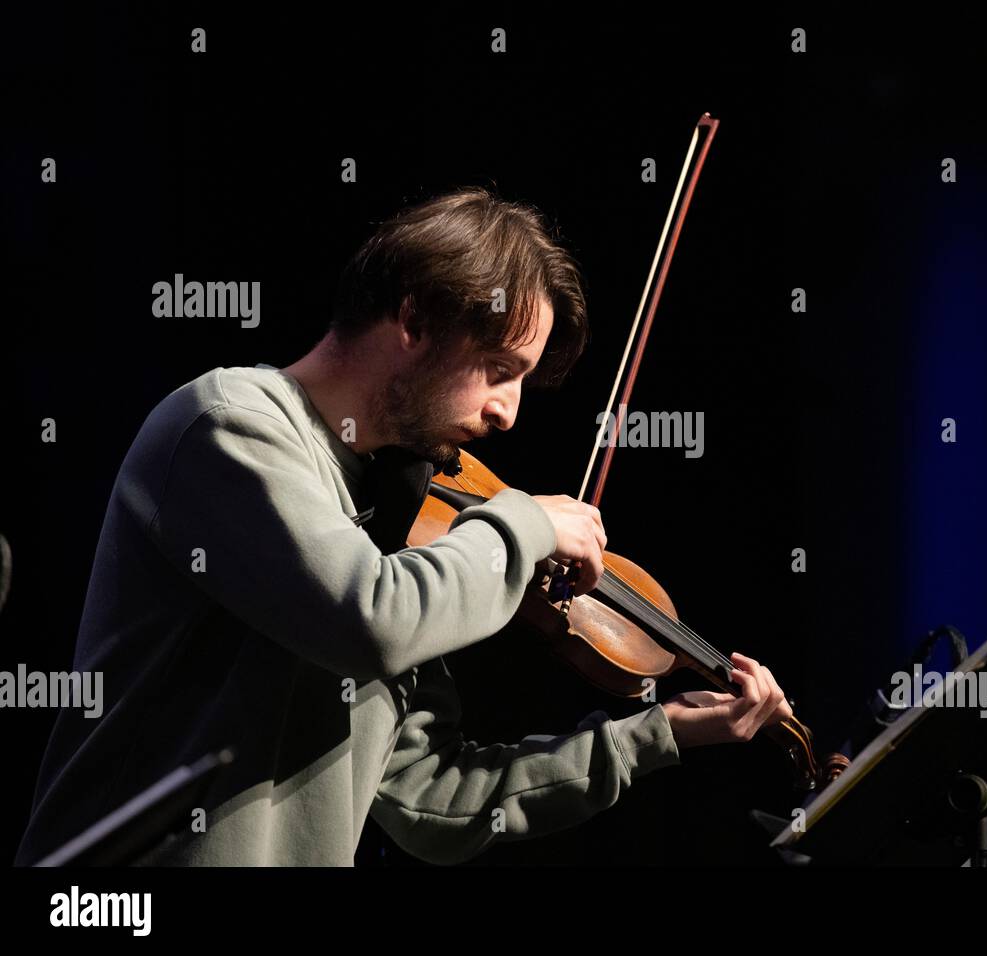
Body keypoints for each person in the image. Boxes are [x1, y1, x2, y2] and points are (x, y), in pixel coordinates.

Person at [15, 187, 792, 866]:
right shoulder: (228, 426)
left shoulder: (391, 520)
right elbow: (370, 618)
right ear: (415, 318)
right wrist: (519, 523)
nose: (509, 412)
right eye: (500, 370)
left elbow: (432, 803)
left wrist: (660, 736)